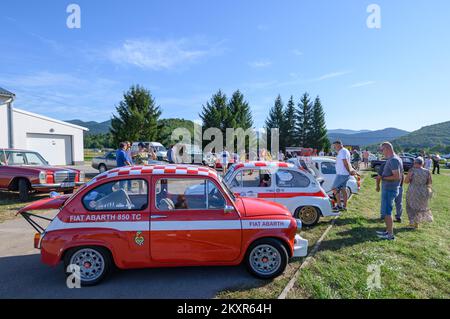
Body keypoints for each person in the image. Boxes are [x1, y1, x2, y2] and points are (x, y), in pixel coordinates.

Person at [376, 142, 403, 240]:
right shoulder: (394, 158)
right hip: (390, 188)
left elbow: (397, 176)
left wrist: (383, 177)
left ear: (387, 148)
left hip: (390, 189)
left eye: (382, 150)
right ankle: (388, 231)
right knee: (387, 211)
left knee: (387, 212)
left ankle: (390, 235)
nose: (381, 152)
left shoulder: (393, 160)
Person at [404, 157, 433, 229]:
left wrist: (410, 179)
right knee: (420, 207)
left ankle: (412, 223)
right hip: (423, 190)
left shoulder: (412, 170)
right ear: (422, 163)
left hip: (413, 190)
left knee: (411, 206)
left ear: (415, 163)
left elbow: (406, 181)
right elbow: (430, 182)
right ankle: (417, 223)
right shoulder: (427, 171)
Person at [331, 141, 357, 211]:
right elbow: (347, 162)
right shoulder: (345, 151)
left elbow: (345, 163)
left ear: (338, 145)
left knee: (334, 188)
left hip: (342, 174)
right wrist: (350, 170)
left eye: (335, 146)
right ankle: (344, 206)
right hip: (344, 173)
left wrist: (350, 171)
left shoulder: (342, 151)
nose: (334, 148)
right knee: (343, 189)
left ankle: (339, 205)